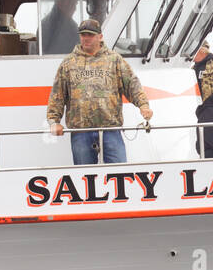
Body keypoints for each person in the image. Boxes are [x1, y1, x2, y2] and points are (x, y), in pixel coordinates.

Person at [47, 17, 153, 164]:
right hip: (80, 131)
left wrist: (143, 105)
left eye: (90, 35)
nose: (86, 38)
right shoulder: (68, 63)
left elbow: (132, 84)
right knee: (85, 176)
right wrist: (54, 121)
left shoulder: (114, 60)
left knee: (118, 173)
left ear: (100, 36)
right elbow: (58, 94)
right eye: (83, 34)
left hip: (111, 129)